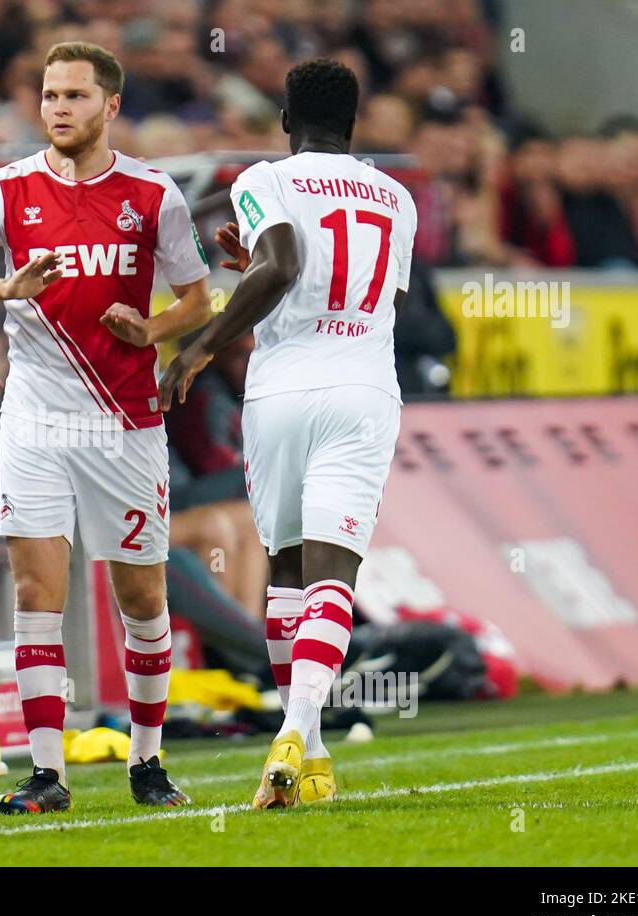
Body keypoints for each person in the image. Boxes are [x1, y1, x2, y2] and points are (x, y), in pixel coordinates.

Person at [0, 42, 212, 813]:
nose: (59, 108)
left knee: (142, 598)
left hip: (125, 422)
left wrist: (151, 330)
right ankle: (47, 775)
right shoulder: (5, 187)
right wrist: (4, 285)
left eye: (76, 96)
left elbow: (199, 300)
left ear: (110, 106)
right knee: (35, 591)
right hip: (36, 422)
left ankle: (147, 763)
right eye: (50, 94)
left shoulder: (155, 196)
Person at [161, 58, 417, 810]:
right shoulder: (395, 197)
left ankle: (308, 747)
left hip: (279, 391)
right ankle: (302, 725)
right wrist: (256, 282)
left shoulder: (264, 179)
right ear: (356, 123)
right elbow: (354, 281)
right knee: (333, 572)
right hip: (361, 385)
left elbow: (281, 265)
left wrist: (206, 342)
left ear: (284, 119)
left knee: (286, 570)